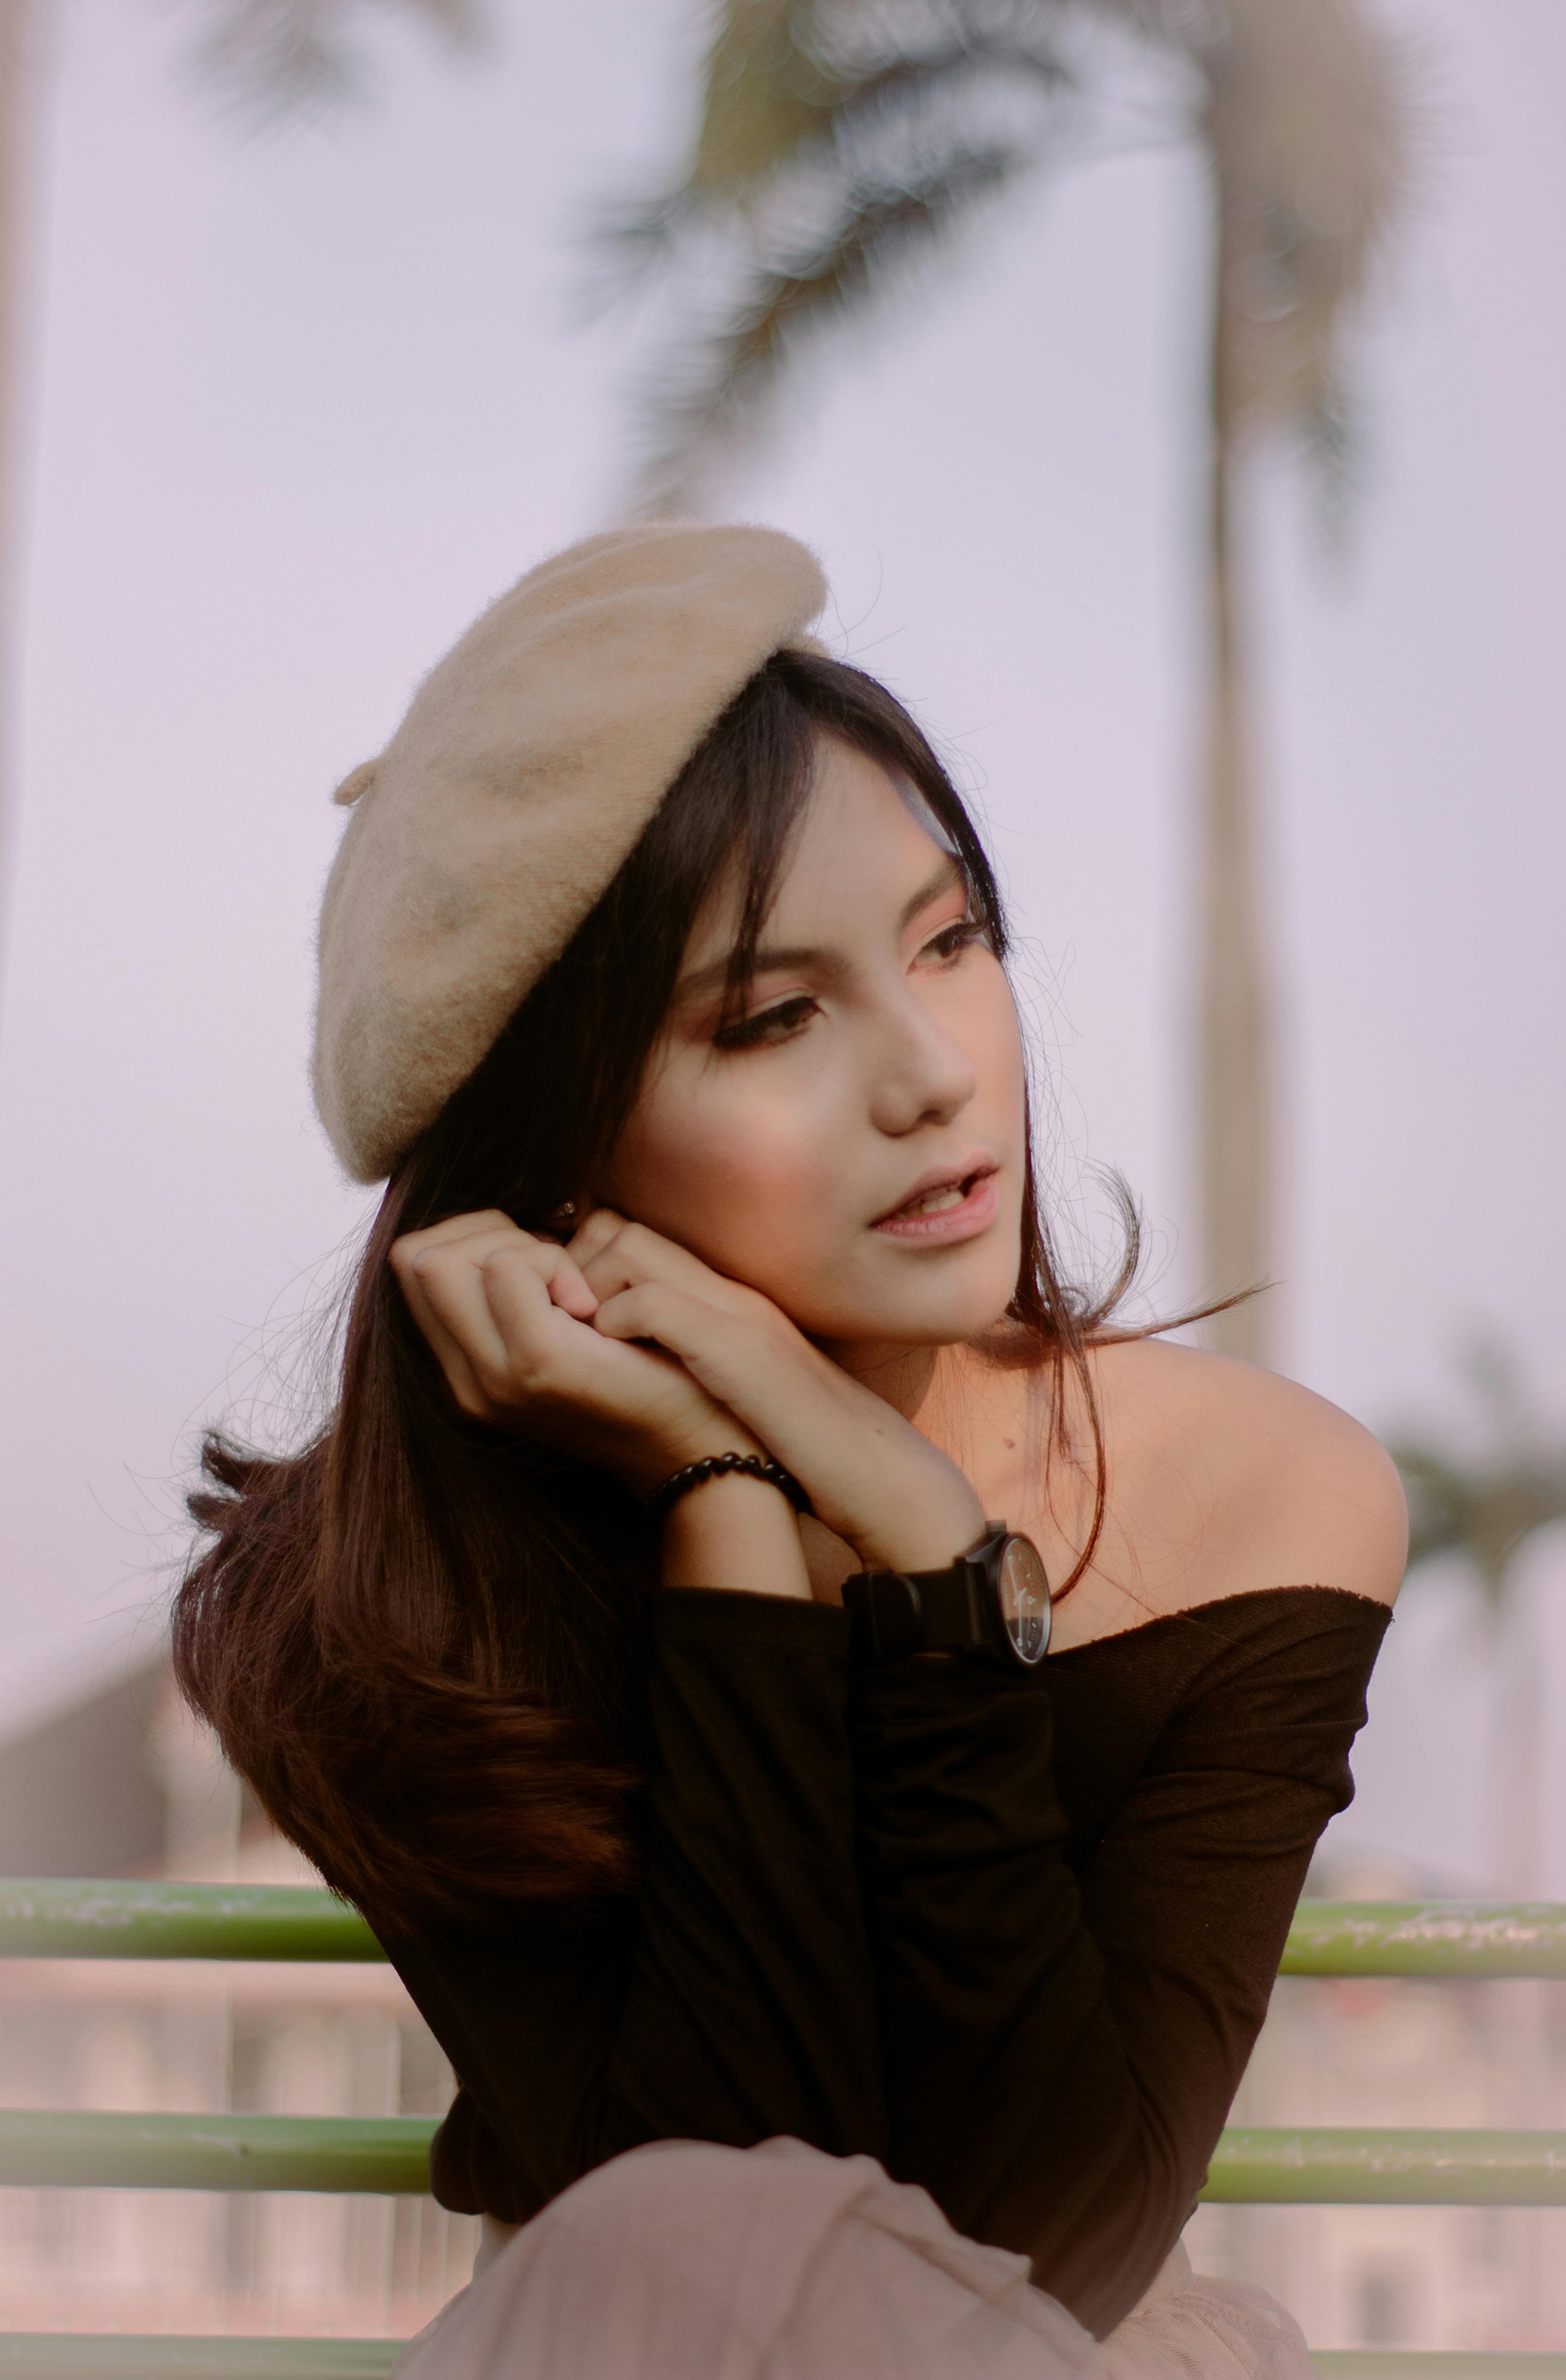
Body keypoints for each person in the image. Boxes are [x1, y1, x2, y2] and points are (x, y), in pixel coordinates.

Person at [174, 524, 1407, 2378]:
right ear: (555, 1150)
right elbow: (702, 2241)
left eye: (951, 940)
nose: (935, 1073)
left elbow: (1055, 2253)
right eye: (774, 1017)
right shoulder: (373, 1601)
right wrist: (727, 1506)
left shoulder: (1264, 1501)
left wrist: (931, 1558)